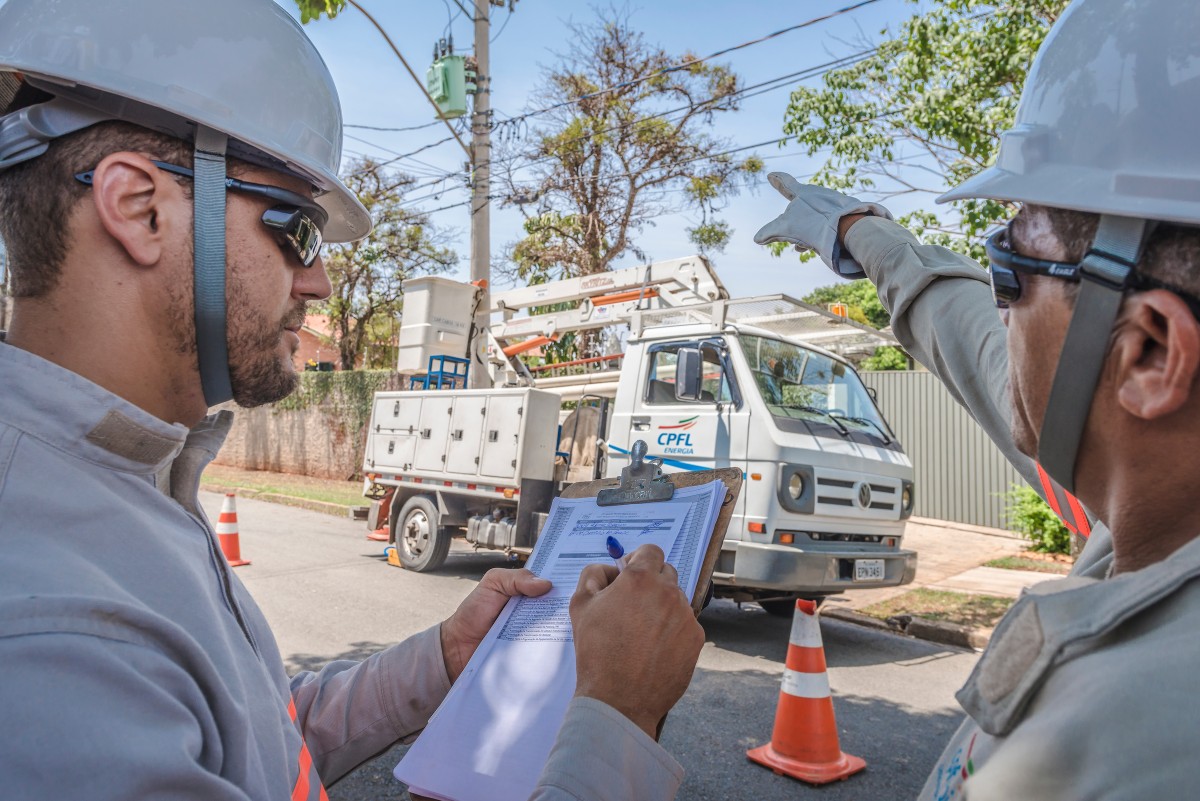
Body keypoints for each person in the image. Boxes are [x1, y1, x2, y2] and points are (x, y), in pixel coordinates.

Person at [0, 2, 702, 799]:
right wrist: (615, 717)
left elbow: (258, 742)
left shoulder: (126, 479)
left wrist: (443, 658)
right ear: (139, 207)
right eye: (295, 228)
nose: (319, 280)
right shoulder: (48, 630)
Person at [755, 0, 1198, 796]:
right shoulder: (1146, 508)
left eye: (1010, 266)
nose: (1001, 305)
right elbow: (982, 346)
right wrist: (864, 234)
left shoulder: (1124, 741)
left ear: (1151, 352)